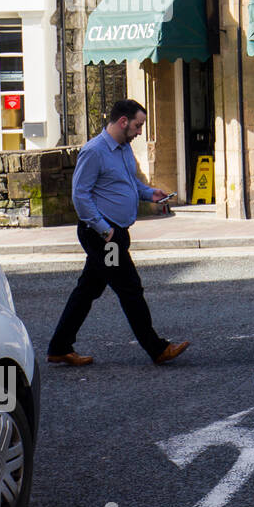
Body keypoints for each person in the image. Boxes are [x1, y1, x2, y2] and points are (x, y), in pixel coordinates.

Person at [48, 99, 191, 366]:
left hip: (115, 232)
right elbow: (80, 196)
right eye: (138, 126)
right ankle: (157, 349)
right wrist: (105, 231)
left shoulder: (124, 149)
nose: (139, 132)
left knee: (88, 289)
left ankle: (59, 346)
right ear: (123, 121)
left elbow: (129, 182)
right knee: (130, 288)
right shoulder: (94, 151)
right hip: (103, 236)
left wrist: (150, 193)